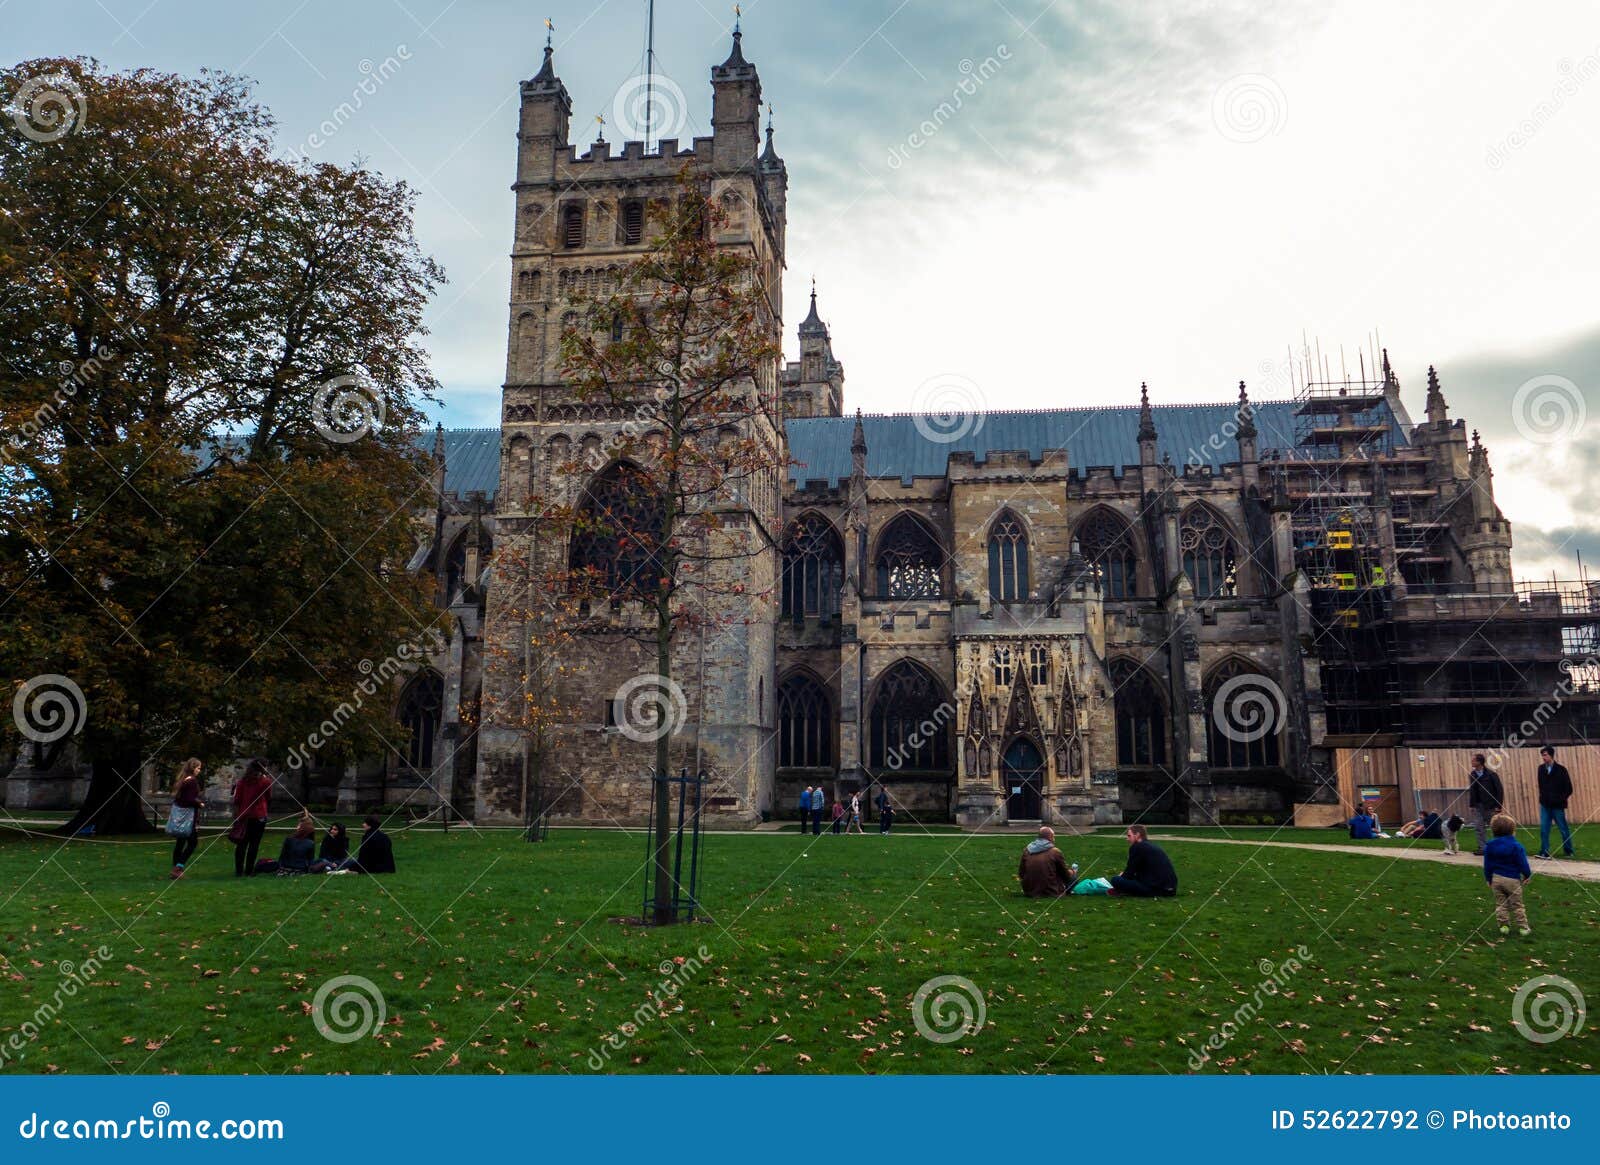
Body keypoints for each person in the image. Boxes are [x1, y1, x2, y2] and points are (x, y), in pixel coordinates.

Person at [1483, 812, 1532, 937]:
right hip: (1512, 879)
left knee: (1501, 903)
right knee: (1517, 904)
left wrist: (1488, 878)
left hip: (1496, 879)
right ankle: (1523, 927)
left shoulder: (1489, 846)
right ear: (1512, 830)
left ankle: (1503, 925)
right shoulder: (1516, 846)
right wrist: (1527, 875)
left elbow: (1487, 864)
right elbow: (1522, 863)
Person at [230, 759, 273, 878]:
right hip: (258, 816)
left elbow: (237, 800)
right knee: (254, 844)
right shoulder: (265, 782)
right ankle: (249, 870)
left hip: (244, 815)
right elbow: (269, 797)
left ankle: (239, 870)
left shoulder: (242, 782)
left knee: (241, 844)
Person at [1109, 824, 1178, 897]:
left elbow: (1129, 872)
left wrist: (1121, 876)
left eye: (1129, 836)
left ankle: (1124, 891)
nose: (1127, 839)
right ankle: (1125, 890)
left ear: (1137, 835)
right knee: (1131, 879)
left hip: (1157, 890)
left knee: (1115, 880)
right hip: (1170, 890)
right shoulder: (1151, 845)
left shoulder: (1137, 847)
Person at [1535, 746, 1576, 859]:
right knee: (1544, 829)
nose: (1543, 757)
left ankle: (1569, 851)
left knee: (1563, 829)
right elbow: (1541, 786)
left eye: (1545, 755)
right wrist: (1543, 798)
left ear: (1551, 755)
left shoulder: (1561, 770)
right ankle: (1544, 851)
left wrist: (1559, 799)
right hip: (1545, 805)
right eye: (1542, 755)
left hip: (1558, 806)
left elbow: (1569, 788)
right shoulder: (1540, 769)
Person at [167, 758, 205, 879]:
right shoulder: (192, 781)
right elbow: (189, 799)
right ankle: (178, 867)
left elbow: (180, 798)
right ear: (193, 768)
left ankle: (175, 870)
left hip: (181, 815)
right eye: (198, 768)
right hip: (188, 817)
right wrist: (199, 804)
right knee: (192, 843)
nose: (199, 770)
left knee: (180, 843)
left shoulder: (183, 779)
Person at [1018, 826, 1077, 897]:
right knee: (1073, 877)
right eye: (1053, 837)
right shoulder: (1055, 852)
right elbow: (1066, 875)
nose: (1054, 840)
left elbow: (1021, 873)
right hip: (1051, 891)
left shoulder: (1027, 850)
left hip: (1029, 891)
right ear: (1050, 837)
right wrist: (1073, 872)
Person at [1466, 753, 1504, 856]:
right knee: (1479, 827)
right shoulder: (1472, 774)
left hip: (1490, 806)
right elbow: (1472, 790)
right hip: (1478, 806)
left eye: (1473, 760)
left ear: (1479, 762)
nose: (1471, 762)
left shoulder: (1491, 774)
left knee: (1495, 828)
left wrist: (1498, 805)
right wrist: (1471, 805)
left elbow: (1499, 790)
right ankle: (1482, 848)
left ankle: (1500, 848)